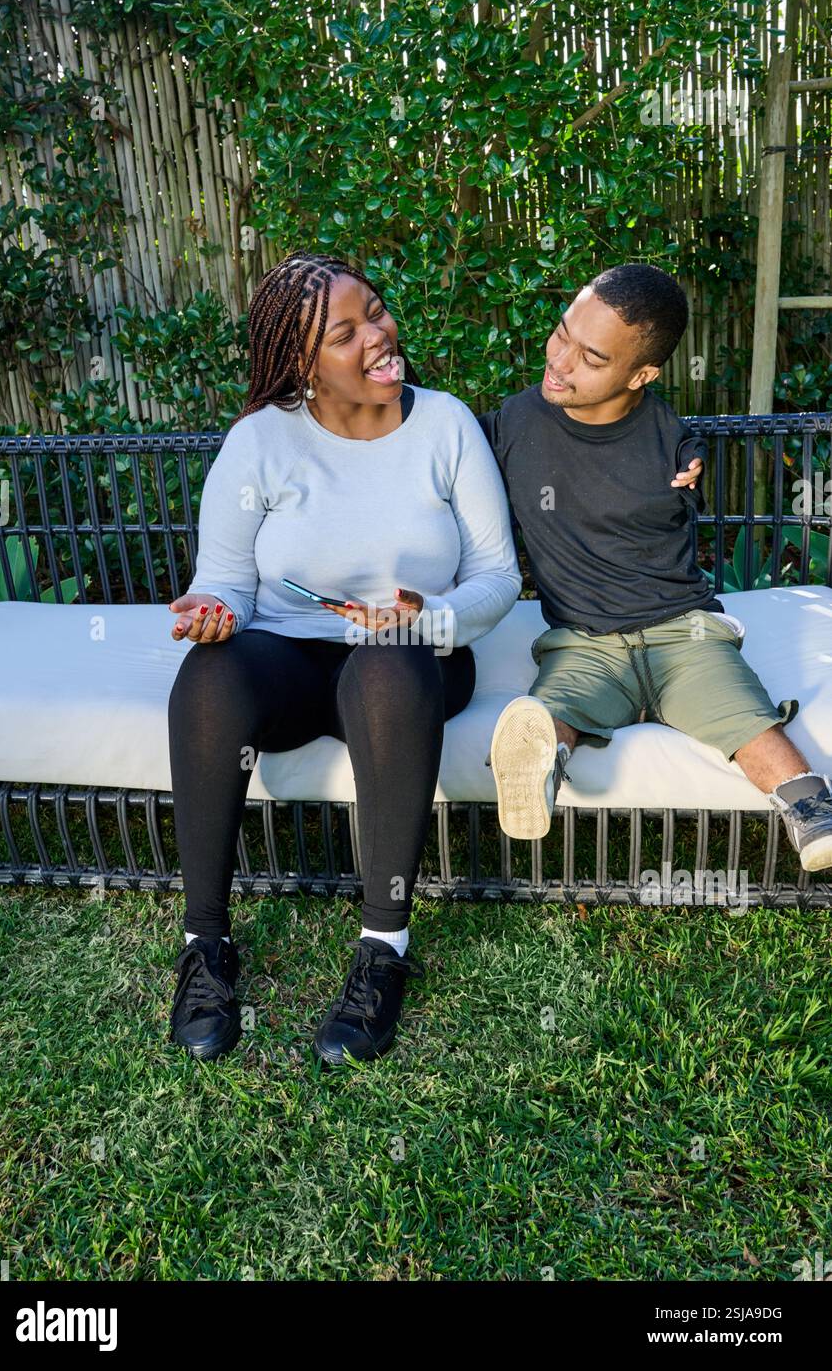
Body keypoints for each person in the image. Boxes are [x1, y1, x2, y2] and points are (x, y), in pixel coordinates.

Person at [165, 249, 522, 1065]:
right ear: (301, 364)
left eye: (378, 309)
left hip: (417, 656)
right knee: (212, 678)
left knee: (388, 664)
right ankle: (205, 948)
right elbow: (225, 580)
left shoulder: (446, 425)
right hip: (293, 658)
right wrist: (215, 612)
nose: (379, 334)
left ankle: (383, 951)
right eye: (346, 331)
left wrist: (427, 616)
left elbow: (498, 578)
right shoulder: (259, 443)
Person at [478, 263, 832, 873]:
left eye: (591, 357)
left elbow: (684, 461)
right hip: (584, 640)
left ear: (642, 375)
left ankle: (811, 810)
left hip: (682, 631)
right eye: (562, 333)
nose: (560, 362)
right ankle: (535, 769)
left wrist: (694, 468)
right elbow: (447, 478)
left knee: (745, 716)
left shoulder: (666, 430)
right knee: (553, 708)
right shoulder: (513, 424)